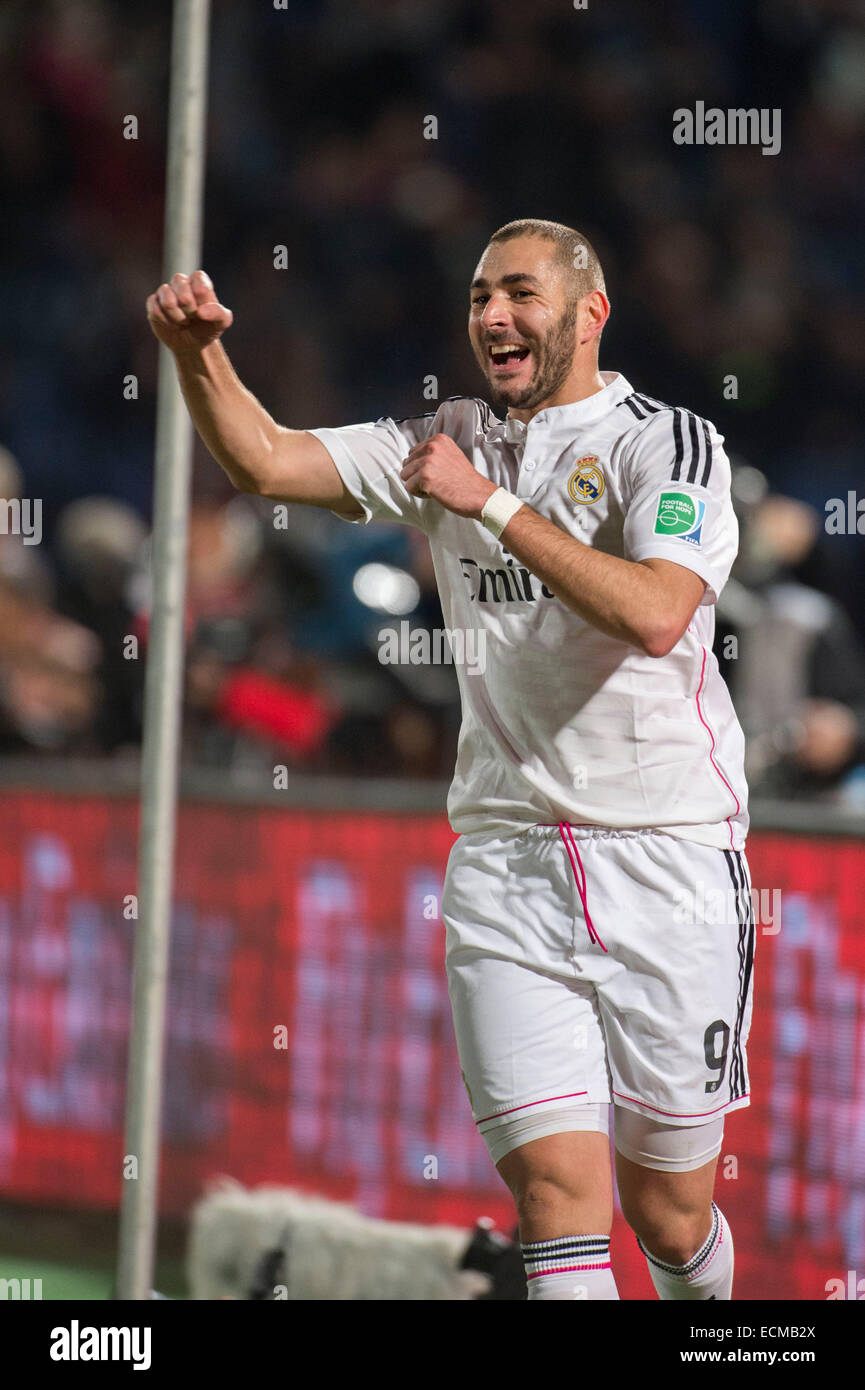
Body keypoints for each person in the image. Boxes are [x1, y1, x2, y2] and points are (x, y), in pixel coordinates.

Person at [146, 217, 754, 1301]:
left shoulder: (667, 445)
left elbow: (659, 615)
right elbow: (266, 459)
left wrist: (494, 505)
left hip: (670, 859)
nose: (492, 317)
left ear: (588, 312)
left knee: (669, 1214)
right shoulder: (445, 438)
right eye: (479, 297)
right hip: (506, 861)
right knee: (557, 1204)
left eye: (519, 293)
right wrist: (199, 355)